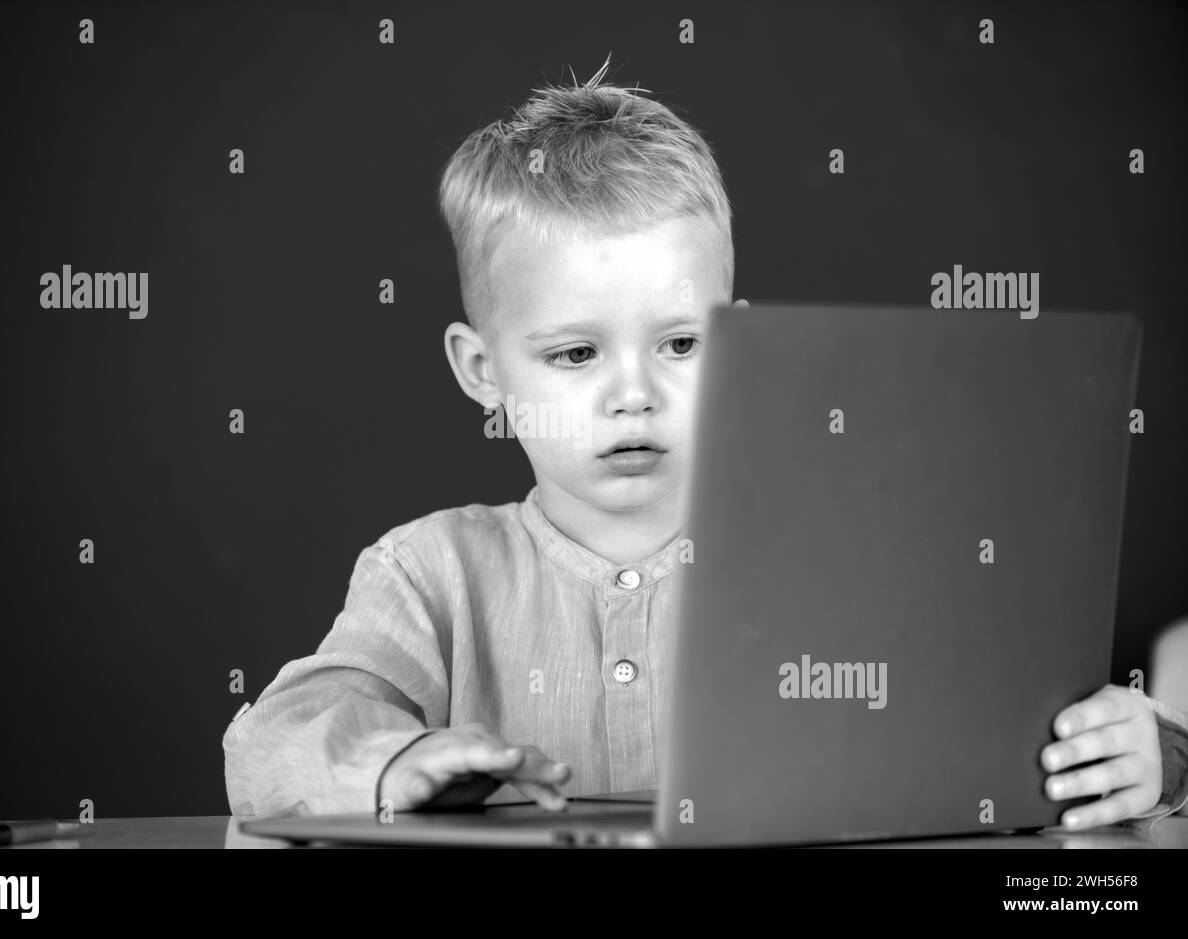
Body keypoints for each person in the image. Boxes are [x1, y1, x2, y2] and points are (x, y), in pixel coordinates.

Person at [222, 56, 1188, 830]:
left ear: (737, 341)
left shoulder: (840, 565)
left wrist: (1156, 758)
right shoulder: (428, 574)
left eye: (681, 343)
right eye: (573, 352)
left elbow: (1010, 756)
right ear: (482, 370)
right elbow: (272, 746)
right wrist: (394, 760)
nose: (633, 393)